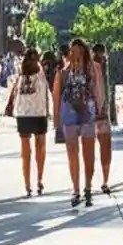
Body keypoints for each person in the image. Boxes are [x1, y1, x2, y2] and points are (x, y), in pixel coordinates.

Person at [53, 38, 106, 208]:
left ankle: (88, 187)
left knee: (88, 151)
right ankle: (75, 189)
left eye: (79, 51)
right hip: (69, 113)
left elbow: (99, 90)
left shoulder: (94, 69)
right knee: (72, 151)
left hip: (87, 113)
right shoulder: (64, 72)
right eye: (73, 51)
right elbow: (57, 95)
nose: (76, 55)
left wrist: (100, 109)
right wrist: (56, 117)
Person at [6, 48, 50, 196]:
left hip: (23, 114)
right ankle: (40, 179)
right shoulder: (40, 73)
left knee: (25, 151)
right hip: (39, 113)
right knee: (40, 147)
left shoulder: (21, 73)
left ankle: (27, 183)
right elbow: (45, 94)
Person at [91, 44, 115, 194]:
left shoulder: (105, 68)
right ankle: (98, 180)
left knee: (104, 146)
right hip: (93, 113)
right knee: (100, 147)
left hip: (100, 114)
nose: (101, 59)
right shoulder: (93, 68)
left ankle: (104, 180)